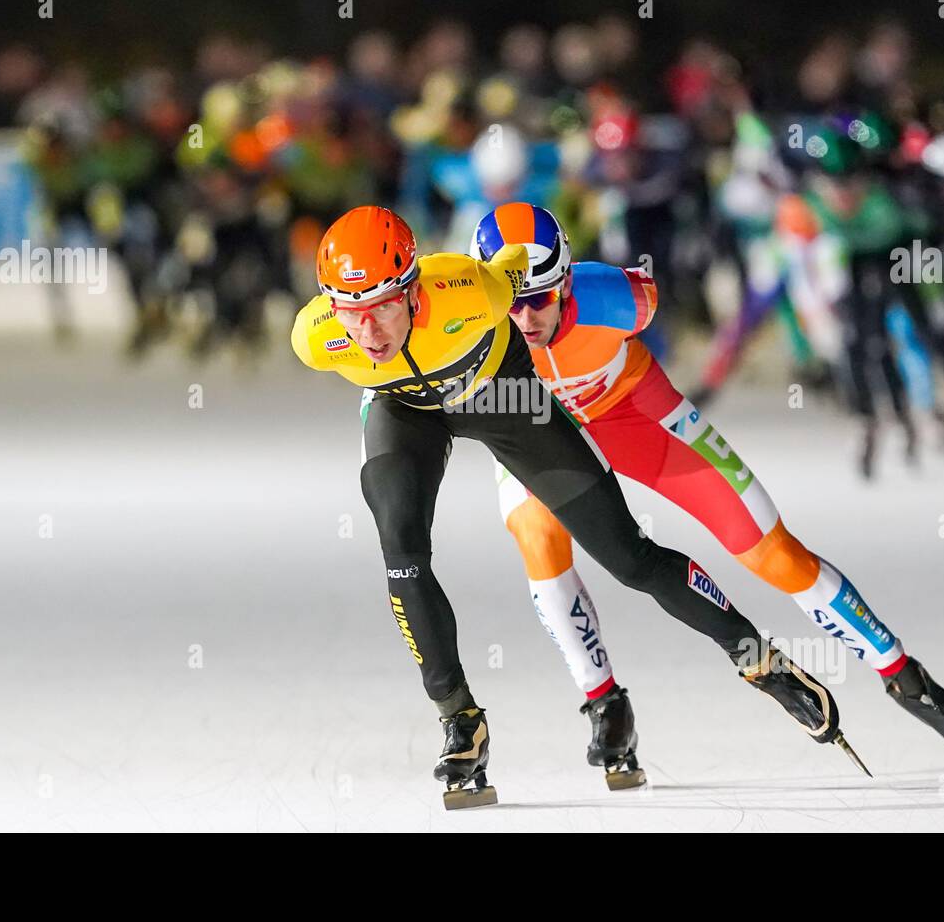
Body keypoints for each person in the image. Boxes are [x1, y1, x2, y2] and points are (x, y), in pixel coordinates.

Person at [291, 205, 867, 809]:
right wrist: (359, 333)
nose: (369, 333)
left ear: (412, 289)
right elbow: (352, 336)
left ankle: (757, 658)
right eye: (351, 314)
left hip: (502, 396)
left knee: (629, 559)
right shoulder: (315, 336)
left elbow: (530, 267)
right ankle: (459, 720)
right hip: (404, 411)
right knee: (402, 552)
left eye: (382, 306)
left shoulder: (473, 289)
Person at [471, 202, 944, 767]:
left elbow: (686, 306)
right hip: (540, 431)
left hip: (634, 414)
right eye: (512, 303)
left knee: (772, 553)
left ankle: (902, 675)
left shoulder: (618, 299)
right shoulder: (468, 321)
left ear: (567, 282)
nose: (526, 318)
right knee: (538, 541)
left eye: (541, 300)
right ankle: (604, 703)